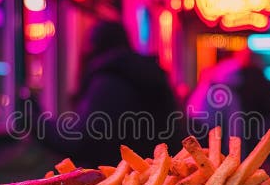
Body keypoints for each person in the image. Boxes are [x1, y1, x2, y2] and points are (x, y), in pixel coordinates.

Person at [36, 21, 179, 166]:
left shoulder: (110, 81)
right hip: (153, 176)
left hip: (122, 182)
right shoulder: (141, 74)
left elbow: (82, 140)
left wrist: (37, 122)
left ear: (92, 47)